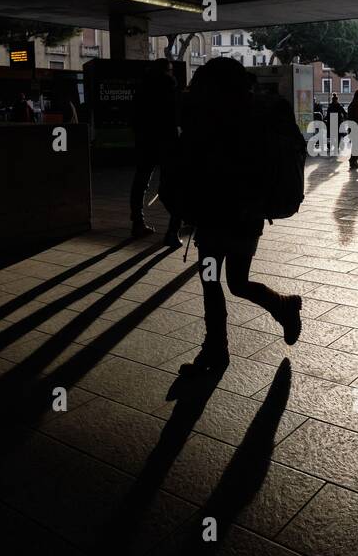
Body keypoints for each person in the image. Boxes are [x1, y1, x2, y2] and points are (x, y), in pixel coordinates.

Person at [174, 57, 302, 371]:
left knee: (222, 281)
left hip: (227, 212)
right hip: (240, 213)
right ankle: (221, 344)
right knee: (231, 281)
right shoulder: (249, 111)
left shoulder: (224, 115)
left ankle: (223, 345)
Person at [129, 60, 182, 245]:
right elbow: (176, 119)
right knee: (173, 186)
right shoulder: (171, 89)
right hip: (167, 143)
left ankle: (138, 222)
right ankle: (173, 232)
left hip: (145, 142)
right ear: (167, 72)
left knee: (140, 183)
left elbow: (134, 118)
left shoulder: (141, 90)